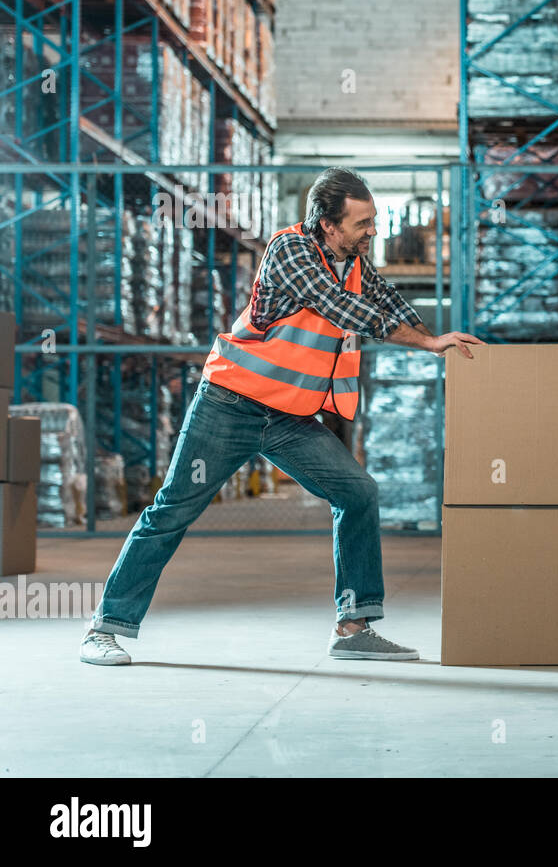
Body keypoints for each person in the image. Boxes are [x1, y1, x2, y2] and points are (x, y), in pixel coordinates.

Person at [80, 167, 483, 666]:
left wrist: (435, 339)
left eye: (373, 220)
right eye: (363, 224)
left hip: (290, 416)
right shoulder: (288, 250)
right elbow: (340, 310)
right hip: (232, 401)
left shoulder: (355, 261)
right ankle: (106, 625)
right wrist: (423, 341)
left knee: (358, 492)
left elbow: (387, 299)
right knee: (172, 511)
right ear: (328, 225)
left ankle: (354, 627)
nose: (372, 231)